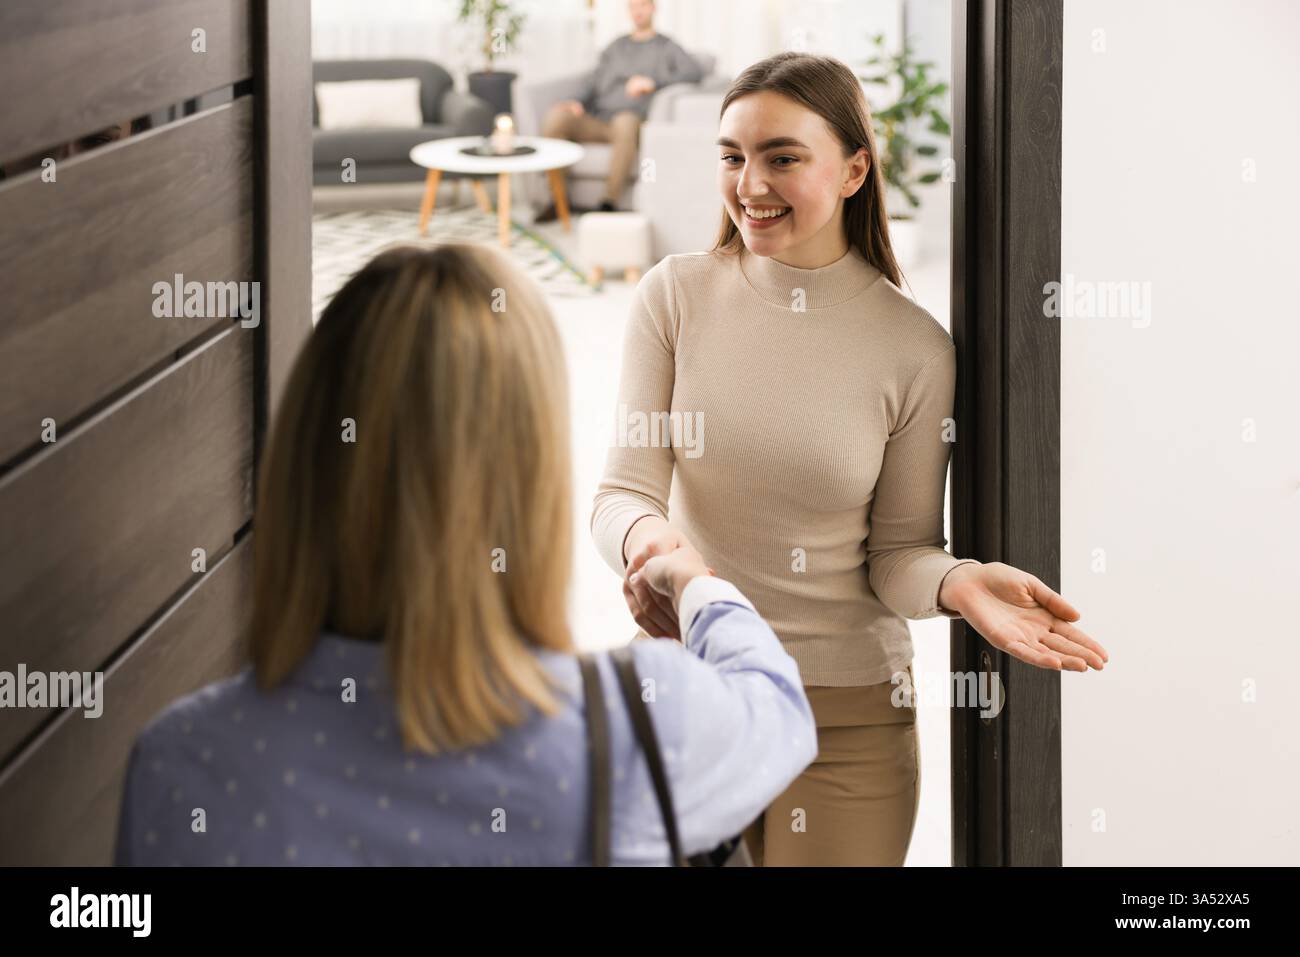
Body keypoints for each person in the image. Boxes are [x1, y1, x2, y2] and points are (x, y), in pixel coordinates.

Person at [114, 243, 816, 866]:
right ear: (528, 475)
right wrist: (695, 587)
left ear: (304, 459)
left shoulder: (183, 762)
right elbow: (780, 706)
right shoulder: (640, 730)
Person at [591, 52, 1110, 866]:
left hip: (845, 720)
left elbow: (895, 556)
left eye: (783, 158)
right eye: (733, 156)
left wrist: (955, 581)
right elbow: (623, 494)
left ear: (854, 169)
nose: (749, 184)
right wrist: (656, 553)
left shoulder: (913, 348)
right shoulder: (674, 296)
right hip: (690, 692)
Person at [537, 0, 702, 218]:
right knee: (555, 118)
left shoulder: (666, 46)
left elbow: (694, 72)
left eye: (642, 5)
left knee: (625, 121)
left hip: (629, 121)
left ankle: (609, 201)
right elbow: (593, 81)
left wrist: (653, 81)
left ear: (653, 7)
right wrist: (576, 101)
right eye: (633, 6)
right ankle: (558, 199)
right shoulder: (615, 47)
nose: (637, 11)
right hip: (598, 119)